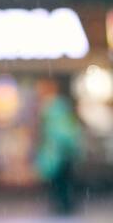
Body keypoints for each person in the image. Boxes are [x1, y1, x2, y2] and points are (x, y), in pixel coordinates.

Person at [36, 79, 83, 214]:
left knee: (59, 182)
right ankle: (65, 204)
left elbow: (51, 134)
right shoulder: (63, 108)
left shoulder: (50, 109)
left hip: (57, 153)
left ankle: (62, 204)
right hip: (65, 152)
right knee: (65, 181)